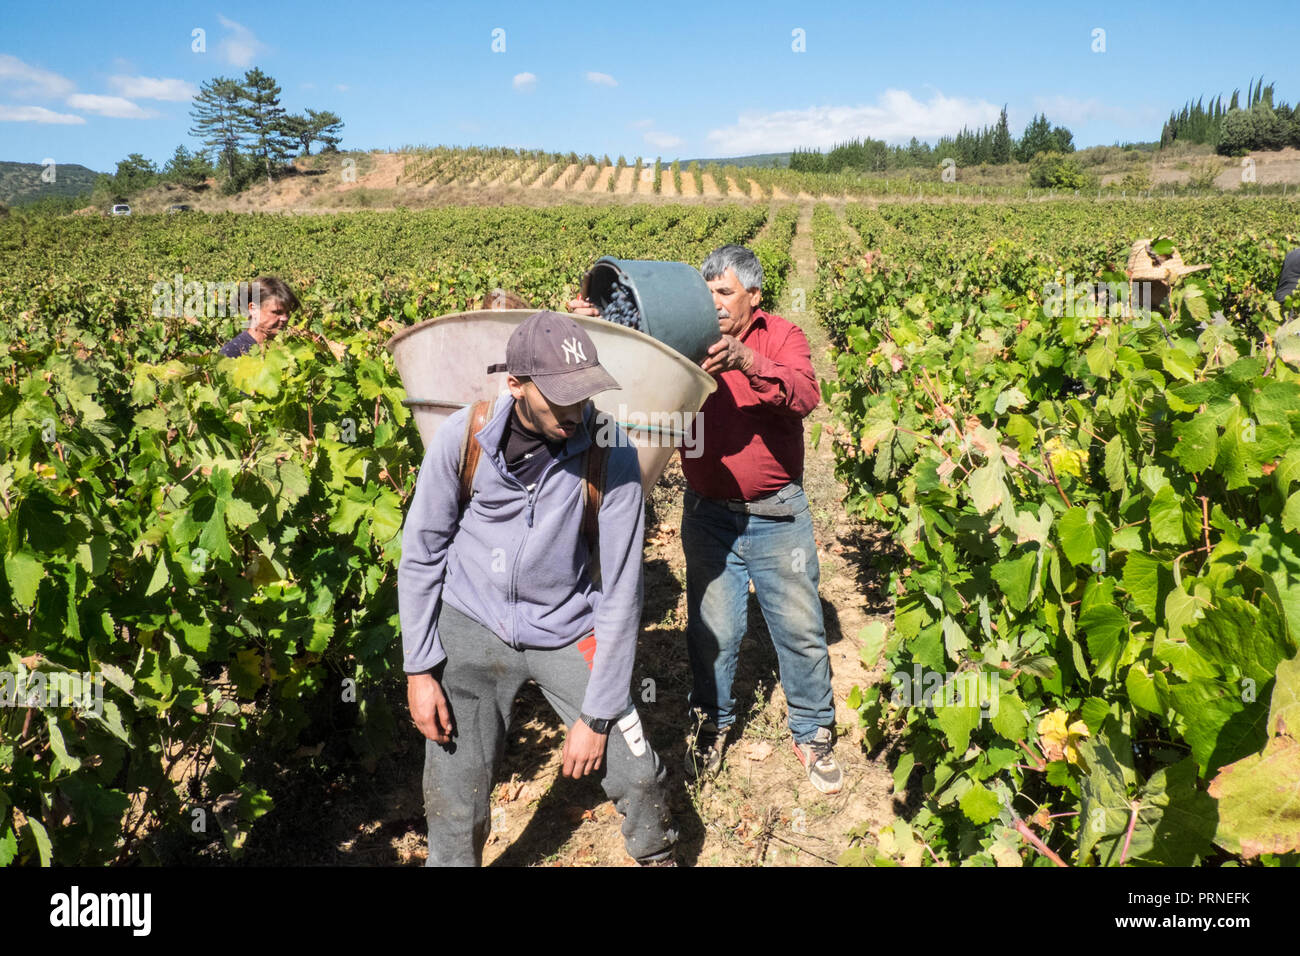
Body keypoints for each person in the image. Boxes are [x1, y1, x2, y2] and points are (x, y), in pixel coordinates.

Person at [398, 310, 677, 866]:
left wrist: (596, 718)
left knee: (637, 772)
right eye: (559, 399)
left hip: (564, 626)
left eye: (584, 396)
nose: (575, 413)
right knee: (455, 802)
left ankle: (658, 856)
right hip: (470, 624)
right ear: (516, 385)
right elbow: (421, 553)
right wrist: (419, 668)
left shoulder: (609, 451)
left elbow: (622, 593)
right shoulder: (464, 437)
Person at [569, 245, 843, 794]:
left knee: (801, 629)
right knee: (711, 630)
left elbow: (805, 393)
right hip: (707, 514)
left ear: (754, 296)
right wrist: (596, 330)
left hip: (776, 514)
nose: (714, 304)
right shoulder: (685, 336)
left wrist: (745, 360)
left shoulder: (782, 336)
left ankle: (812, 732)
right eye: (708, 293)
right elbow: (624, 367)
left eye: (725, 293)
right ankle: (712, 723)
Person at [218, 276, 299, 357]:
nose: (285, 318)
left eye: (287, 312)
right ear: (253, 309)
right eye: (277, 312)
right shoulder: (231, 353)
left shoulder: (288, 347)